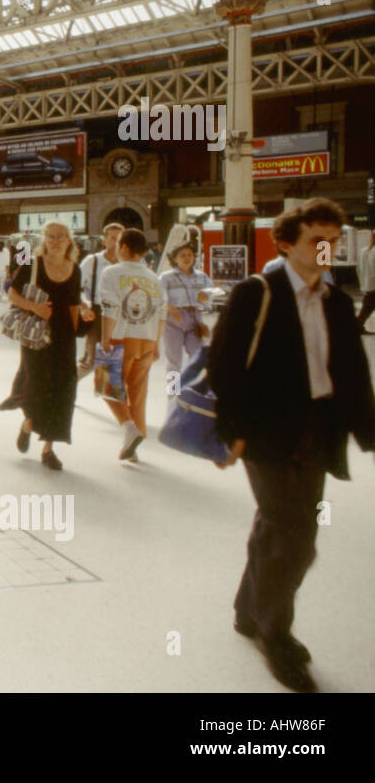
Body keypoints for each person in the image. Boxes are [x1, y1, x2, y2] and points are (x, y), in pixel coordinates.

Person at [208, 198, 375, 693]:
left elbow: (352, 373)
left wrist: (368, 429)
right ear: (285, 242)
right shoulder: (256, 293)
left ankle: (248, 610)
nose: (327, 251)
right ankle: (275, 636)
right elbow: (223, 366)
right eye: (315, 242)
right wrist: (233, 431)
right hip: (266, 432)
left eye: (333, 242)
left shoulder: (336, 301)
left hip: (318, 428)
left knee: (280, 523)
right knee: (296, 538)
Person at [7, 221, 83, 470]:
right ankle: (29, 423)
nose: (56, 241)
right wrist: (34, 307)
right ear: (44, 239)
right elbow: (12, 294)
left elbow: (73, 304)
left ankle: (49, 448)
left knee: (64, 389)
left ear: (69, 240)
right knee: (37, 383)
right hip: (36, 333)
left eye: (61, 236)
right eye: (51, 236)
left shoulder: (75, 269)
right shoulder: (32, 262)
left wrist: (78, 328)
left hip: (63, 336)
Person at [98, 228, 165, 462]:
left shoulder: (111, 272)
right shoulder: (154, 277)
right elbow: (162, 313)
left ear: (124, 247)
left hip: (120, 337)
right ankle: (133, 446)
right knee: (137, 395)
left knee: (107, 388)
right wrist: (156, 343)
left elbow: (110, 307)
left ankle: (129, 429)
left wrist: (105, 338)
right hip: (147, 340)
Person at [159, 241, 213, 387]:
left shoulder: (202, 277)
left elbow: (212, 292)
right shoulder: (166, 277)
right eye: (182, 255)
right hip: (173, 321)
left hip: (194, 319)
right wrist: (169, 307)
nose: (187, 258)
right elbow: (156, 297)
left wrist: (206, 297)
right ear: (175, 259)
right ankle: (174, 392)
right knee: (173, 360)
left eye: (190, 255)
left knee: (197, 357)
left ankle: (191, 389)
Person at [77, 222, 123, 380]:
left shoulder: (128, 263)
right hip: (99, 313)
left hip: (122, 315)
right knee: (91, 360)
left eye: (120, 238)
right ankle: (64, 390)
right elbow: (75, 287)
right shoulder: (92, 261)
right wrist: (83, 307)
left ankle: (112, 396)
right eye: (112, 238)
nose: (116, 242)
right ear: (104, 240)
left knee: (118, 360)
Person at [357, 235, 375, 335]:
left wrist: (362, 283)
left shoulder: (363, 251)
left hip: (367, 284)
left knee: (367, 307)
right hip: (373, 285)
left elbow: (359, 269)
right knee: (367, 307)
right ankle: (357, 326)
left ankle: (358, 326)